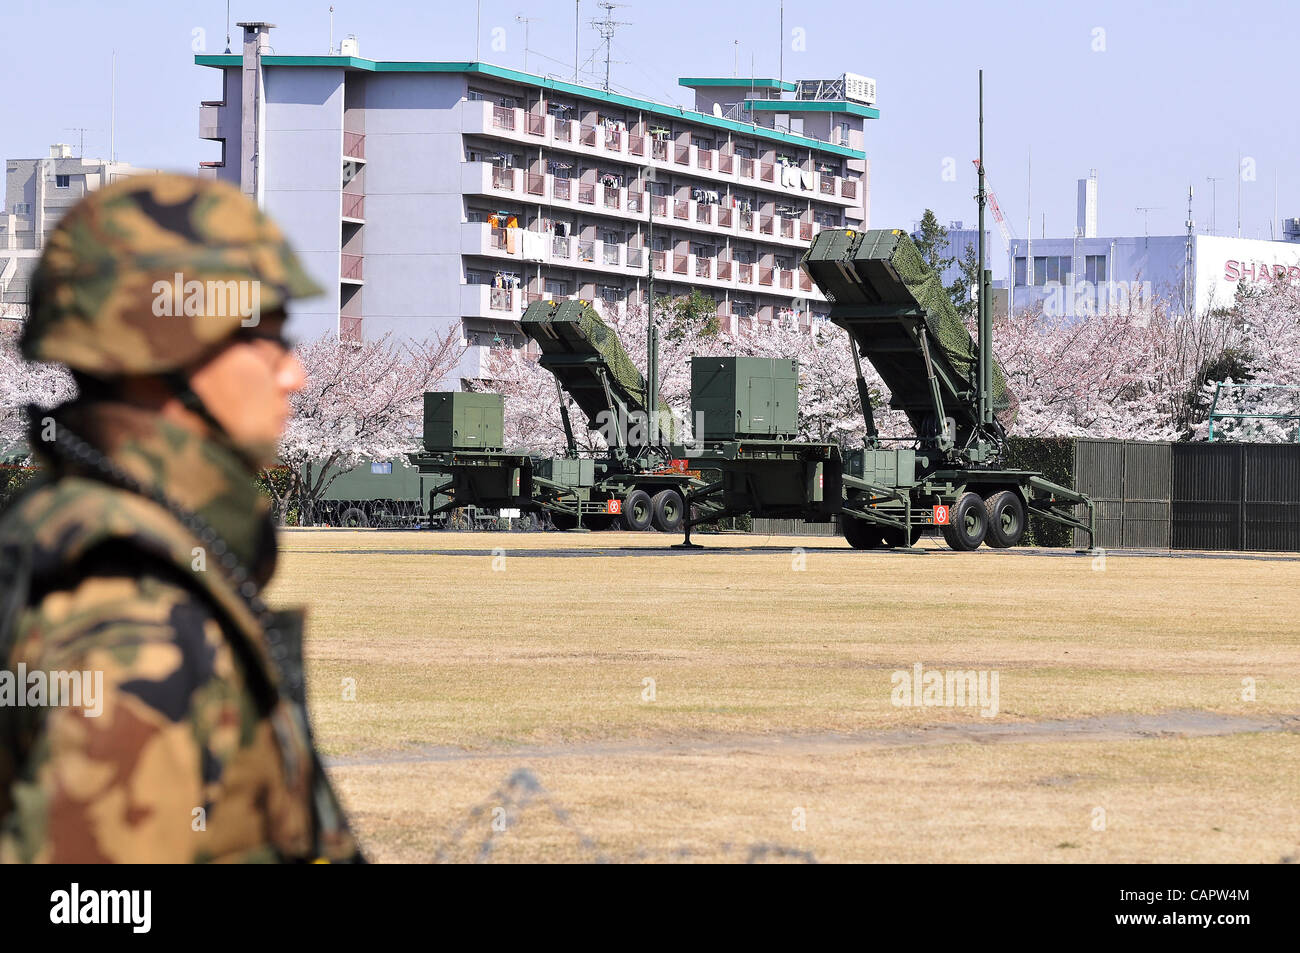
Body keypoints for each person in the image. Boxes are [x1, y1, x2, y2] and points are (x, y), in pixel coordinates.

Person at [0, 173, 362, 863]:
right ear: (165, 355)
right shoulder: (130, 615)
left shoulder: (73, 527)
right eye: (269, 341)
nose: (296, 376)